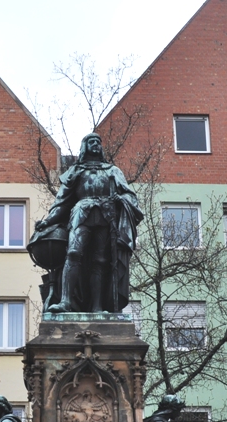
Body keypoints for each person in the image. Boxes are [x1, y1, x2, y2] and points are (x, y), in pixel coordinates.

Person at [30, 132, 143, 314]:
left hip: (106, 217)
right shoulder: (75, 171)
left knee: (100, 261)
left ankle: (98, 307)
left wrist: (120, 199)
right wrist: (48, 221)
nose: (96, 144)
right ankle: (66, 301)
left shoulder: (112, 171)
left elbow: (130, 196)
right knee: (73, 253)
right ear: (84, 146)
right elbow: (62, 202)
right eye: (91, 141)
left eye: (98, 141)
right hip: (81, 214)